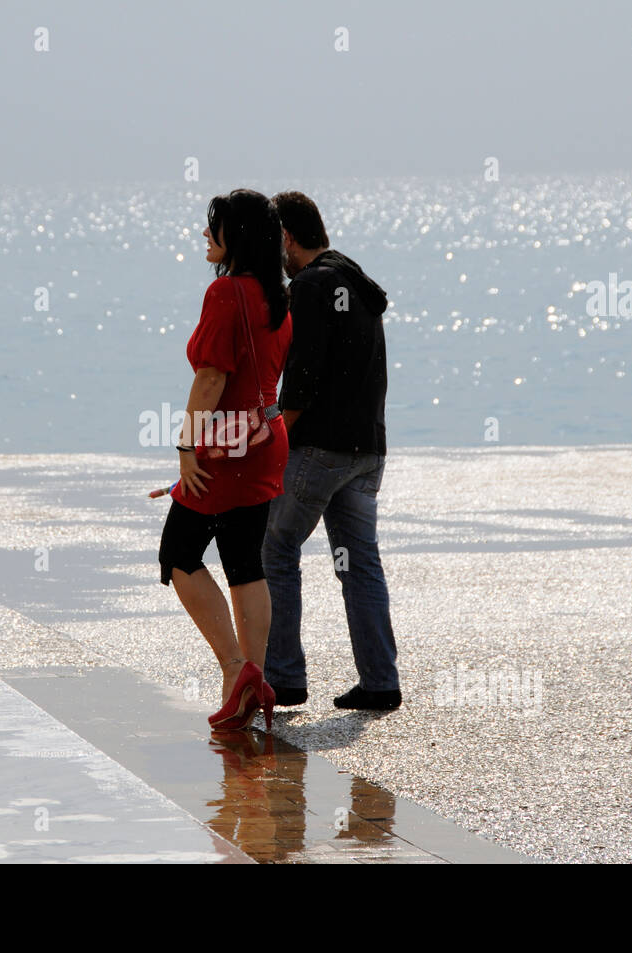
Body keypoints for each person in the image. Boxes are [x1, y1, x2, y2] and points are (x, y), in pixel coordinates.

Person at [158, 189, 292, 731]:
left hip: (225, 447)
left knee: (178, 553)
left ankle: (235, 668)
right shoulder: (275, 294)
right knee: (244, 561)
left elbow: (210, 376)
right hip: (266, 437)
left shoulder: (226, 294)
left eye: (213, 228)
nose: (204, 236)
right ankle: (251, 681)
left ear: (234, 235)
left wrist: (187, 444)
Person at [262, 191, 401, 711]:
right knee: (359, 563)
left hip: (320, 449)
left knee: (275, 549)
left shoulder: (311, 285)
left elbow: (302, 376)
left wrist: (275, 432)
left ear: (287, 237)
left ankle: (285, 677)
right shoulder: (356, 280)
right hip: (368, 448)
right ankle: (380, 681)